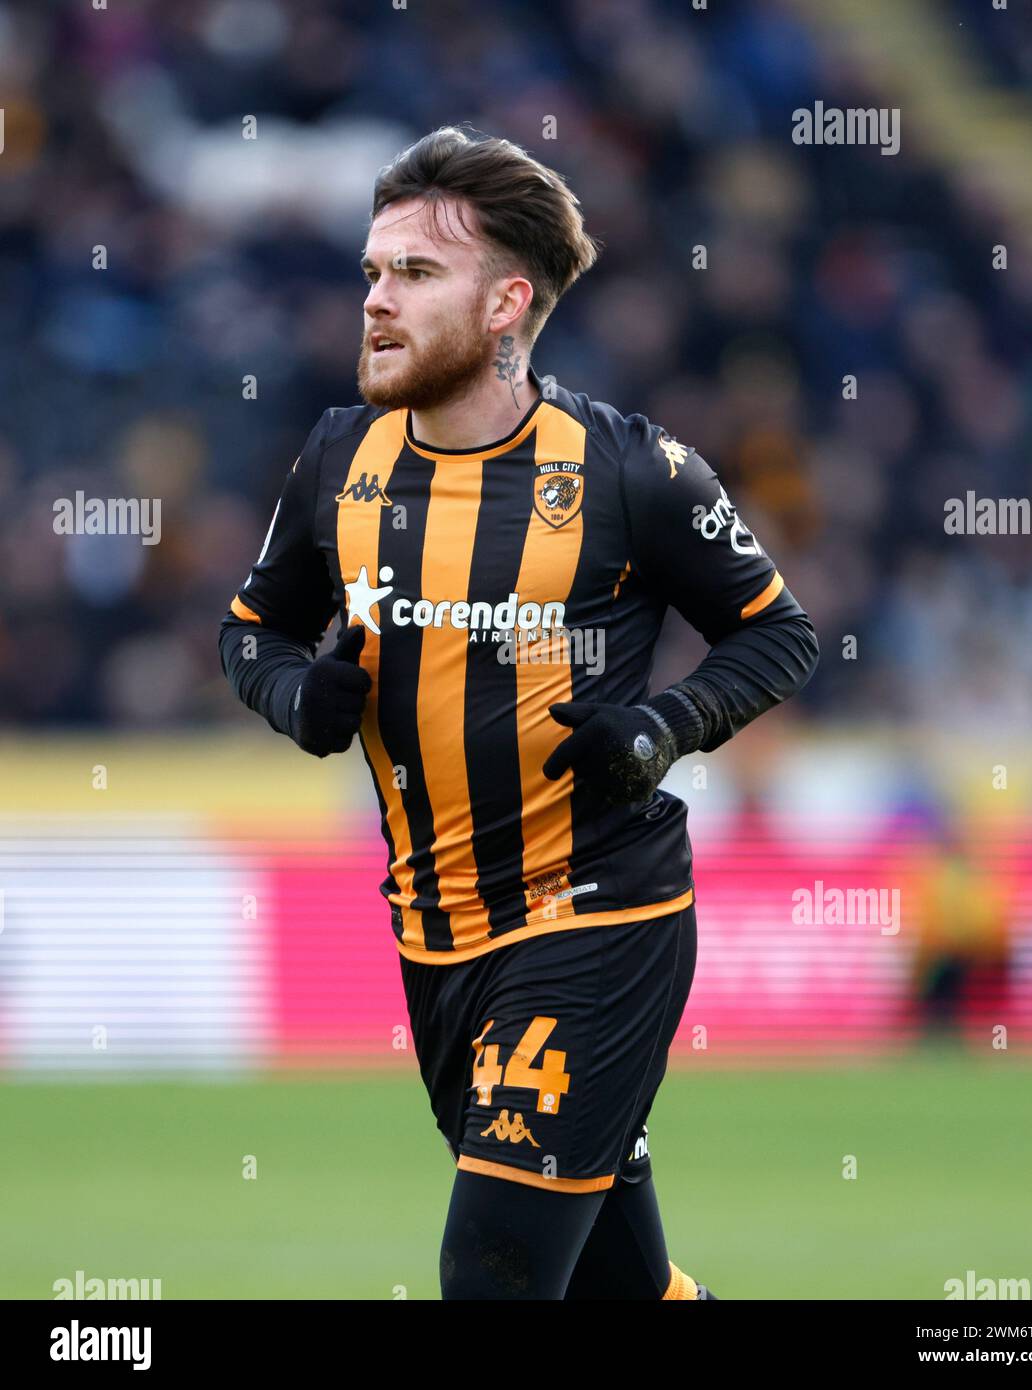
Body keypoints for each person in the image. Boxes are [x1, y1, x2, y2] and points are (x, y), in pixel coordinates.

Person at [219, 126, 818, 1299]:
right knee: (613, 1286)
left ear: (505, 305)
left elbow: (777, 632)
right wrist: (295, 692)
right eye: (372, 272)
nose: (375, 300)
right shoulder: (338, 459)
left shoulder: (630, 471)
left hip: (597, 917)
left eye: (414, 274)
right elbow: (252, 629)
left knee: (491, 1276)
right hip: (435, 936)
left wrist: (662, 726)